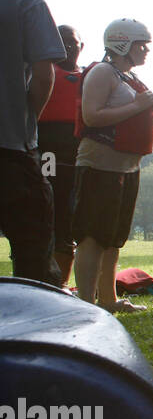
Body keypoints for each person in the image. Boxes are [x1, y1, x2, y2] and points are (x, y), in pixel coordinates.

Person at [71, 18, 153, 313]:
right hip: (100, 165)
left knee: (113, 239)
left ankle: (109, 300)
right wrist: (139, 105)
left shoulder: (128, 77)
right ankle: (87, 302)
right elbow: (93, 115)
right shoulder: (102, 72)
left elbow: (129, 116)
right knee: (93, 236)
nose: (146, 50)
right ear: (123, 44)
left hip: (127, 167)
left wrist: (151, 107)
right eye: (141, 45)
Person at [0, 0, 65, 287]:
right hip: (11, 147)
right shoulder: (26, 2)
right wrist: (28, 121)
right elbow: (43, 75)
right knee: (33, 248)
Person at [37, 25, 86, 284]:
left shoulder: (91, 77)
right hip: (47, 154)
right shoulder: (41, 73)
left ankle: (63, 282)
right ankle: (39, 275)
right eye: (61, 42)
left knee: (71, 219)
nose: (67, 47)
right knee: (45, 211)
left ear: (82, 46)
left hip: (79, 157)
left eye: (72, 42)